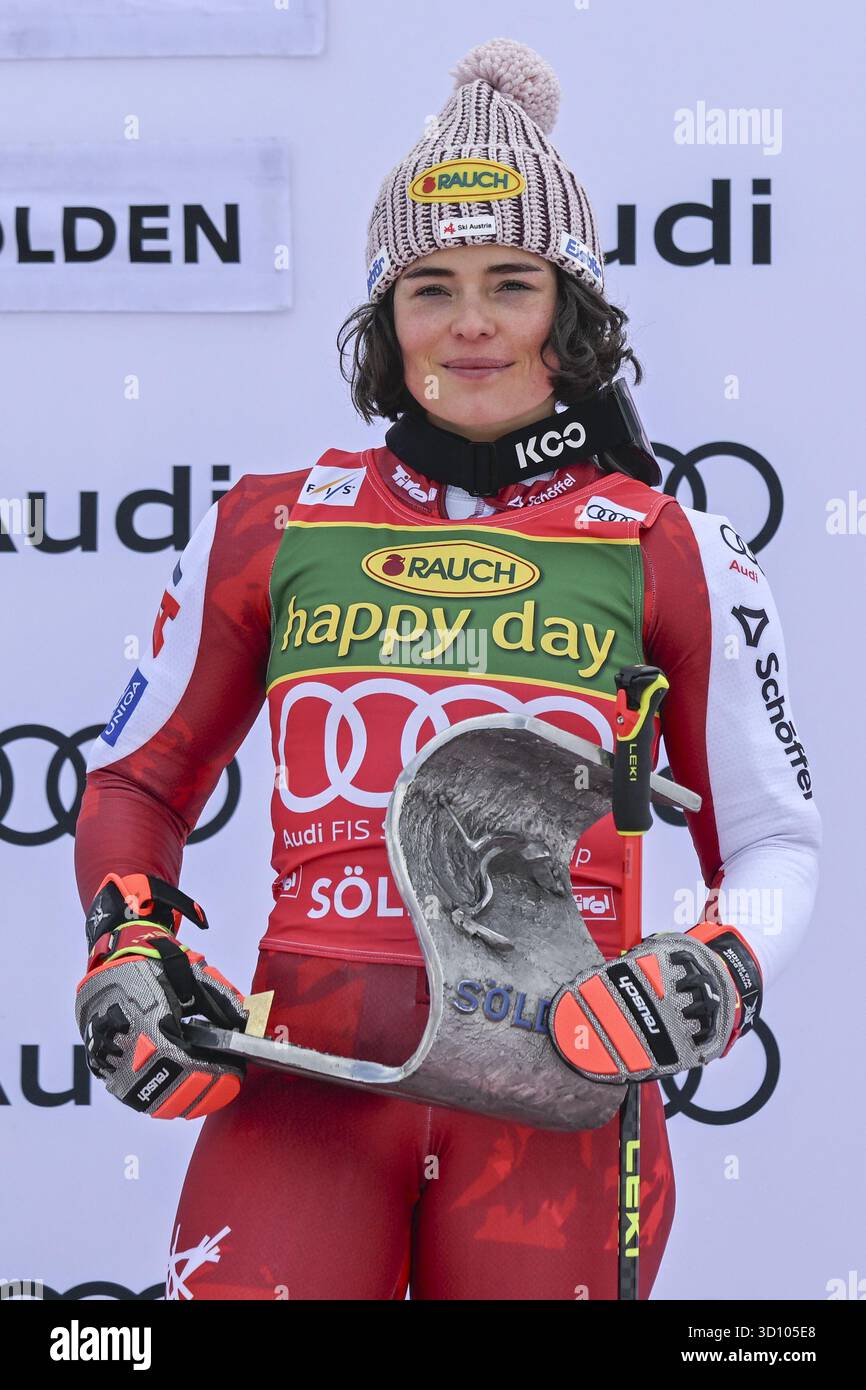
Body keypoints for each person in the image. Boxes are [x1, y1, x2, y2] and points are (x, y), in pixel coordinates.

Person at [74, 38, 821, 1300]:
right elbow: (134, 783)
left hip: (561, 1093)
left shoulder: (672, 545)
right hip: (308, 1090)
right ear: (386, 321)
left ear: (567, 311)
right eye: (429, 286)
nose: (469, 321)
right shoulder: (270, 524)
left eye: (509, 280)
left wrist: (720, 963)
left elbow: (773, 842)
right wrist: (126, 943)